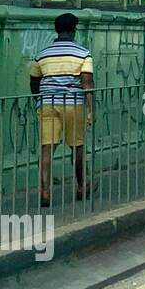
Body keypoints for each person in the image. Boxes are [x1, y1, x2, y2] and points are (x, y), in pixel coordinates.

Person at [29, 13, 94, 207]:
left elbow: (34, 81)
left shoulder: (42, 54)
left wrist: (40, 98)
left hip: (47, 103)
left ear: (57, 30)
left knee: (47, 148)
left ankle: (45, 192)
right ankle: (82, 186)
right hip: (74, 103)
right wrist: (91, 109)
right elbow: (87, 83)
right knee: (77, 147)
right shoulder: (83, 53)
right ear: (74, 30)